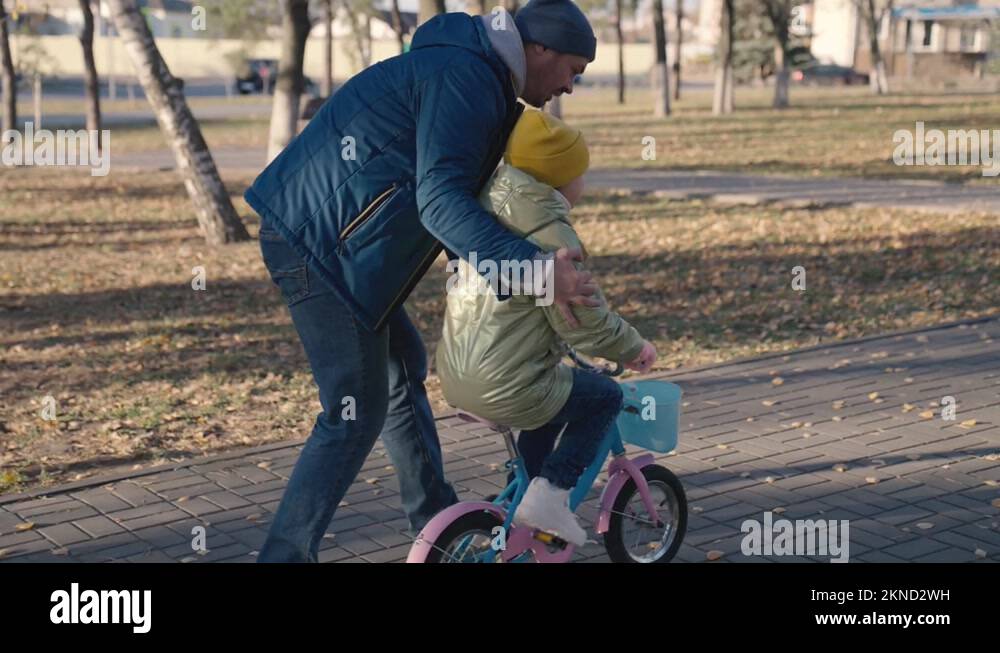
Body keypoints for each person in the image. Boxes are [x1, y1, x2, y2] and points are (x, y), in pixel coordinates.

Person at [245, 1, 602, 562]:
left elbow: (437, 188)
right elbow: (440, 200)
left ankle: (439, 524)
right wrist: (535, 270)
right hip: (321, 247)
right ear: (541, 50)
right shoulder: (467, 76)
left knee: (399, 372)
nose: (571, 88)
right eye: (573, 70)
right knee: (352, 411)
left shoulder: (472, 69)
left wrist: (486, 263)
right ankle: (284, 556)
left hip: (332, 243)